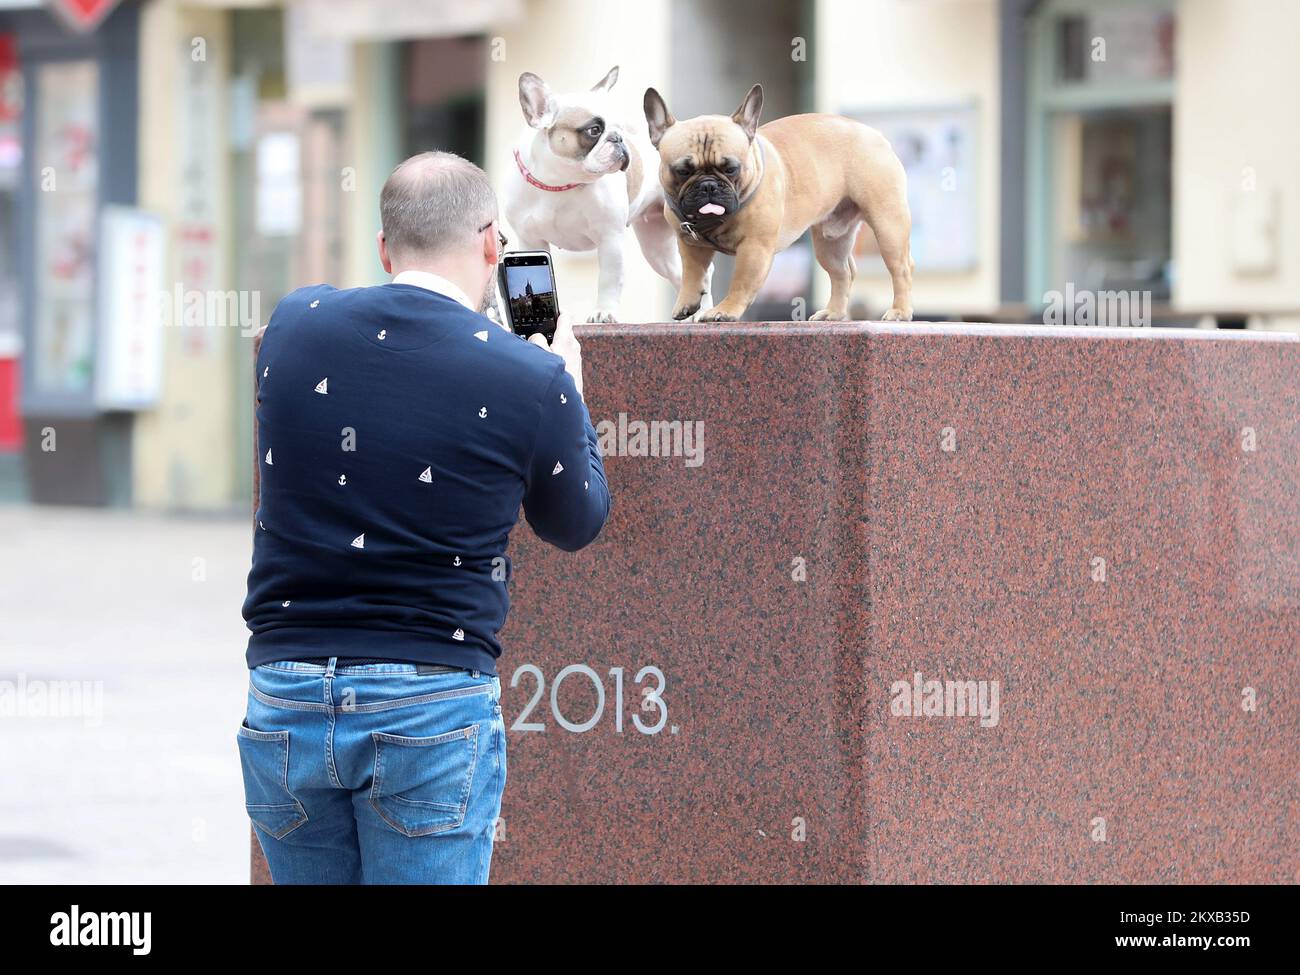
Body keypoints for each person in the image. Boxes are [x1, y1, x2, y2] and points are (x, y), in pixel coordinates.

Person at [236, 150, 610, 884]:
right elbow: (577, 520)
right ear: (491, 244)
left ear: (384, 247)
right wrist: (567, 387)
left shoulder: (292, 324)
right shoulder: (527, 374)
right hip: (429, 703)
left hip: (283, 700)